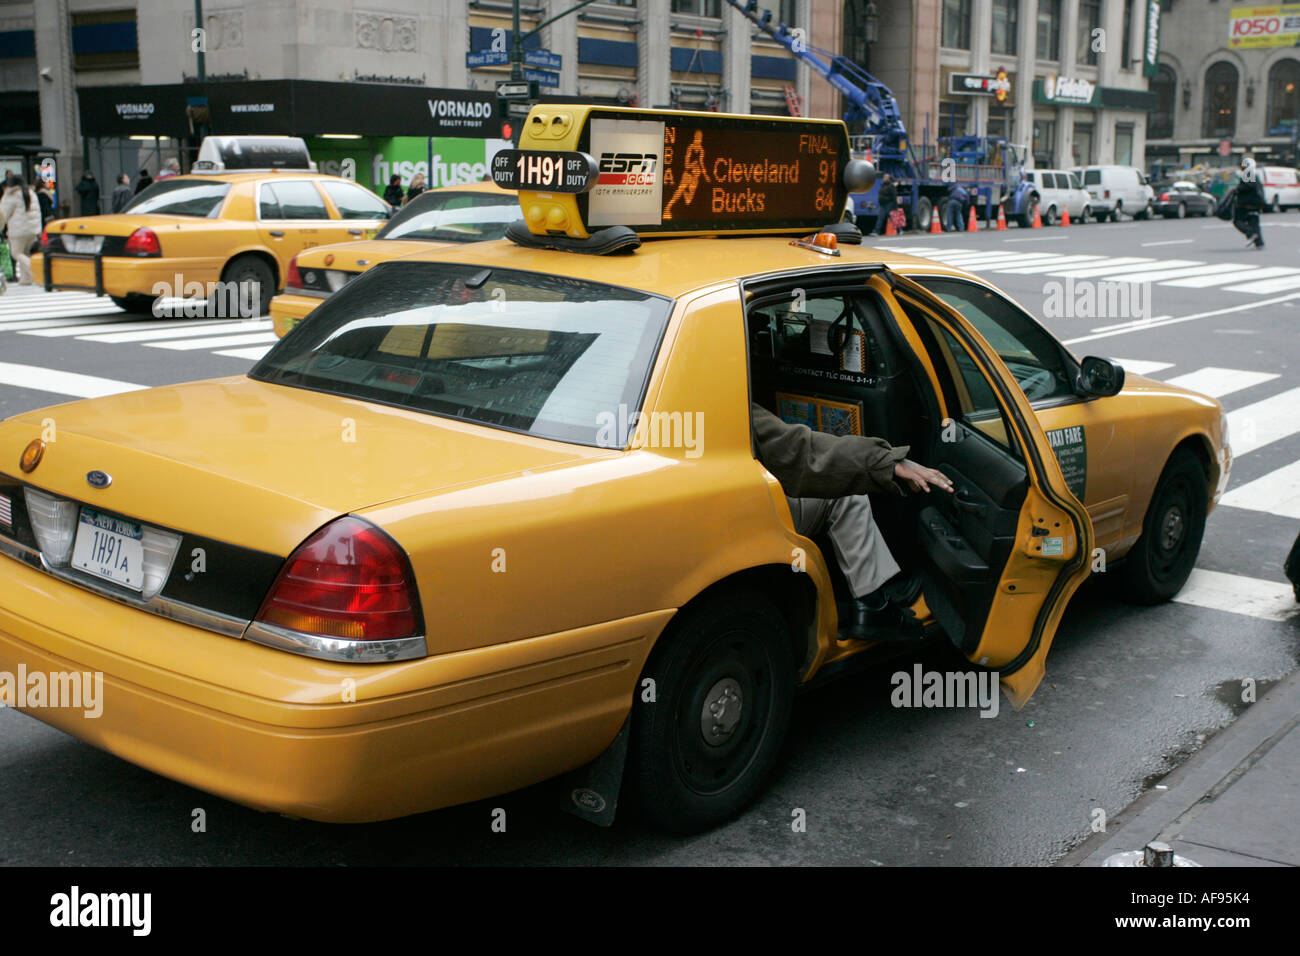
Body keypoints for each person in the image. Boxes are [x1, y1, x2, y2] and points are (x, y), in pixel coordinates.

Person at [751, 402, 954, 641]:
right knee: (846, 494)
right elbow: (800, 452)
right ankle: (873, 606)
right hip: (750, 519)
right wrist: (888, 461)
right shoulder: (727, 393)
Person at [0, 174, 45, 286]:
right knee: (25, 253)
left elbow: (4, 213)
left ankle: (35, 269)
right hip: (32, 229)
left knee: (16, 253)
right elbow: (38, 212)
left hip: (18, 230)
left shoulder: (11, 195)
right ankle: (26, 279)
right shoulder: (31, 193)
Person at [1233, 157, 1265, 249]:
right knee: (1254, 222)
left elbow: (1248, 186)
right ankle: (1259, 243)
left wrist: (1237, 189)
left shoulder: (1248, 174)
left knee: (1237, 221)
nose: (1239, 168)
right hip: (1256, 203)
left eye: (1240, 166)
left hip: (1247, 203)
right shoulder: (1253, 174)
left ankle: (1250, 234)